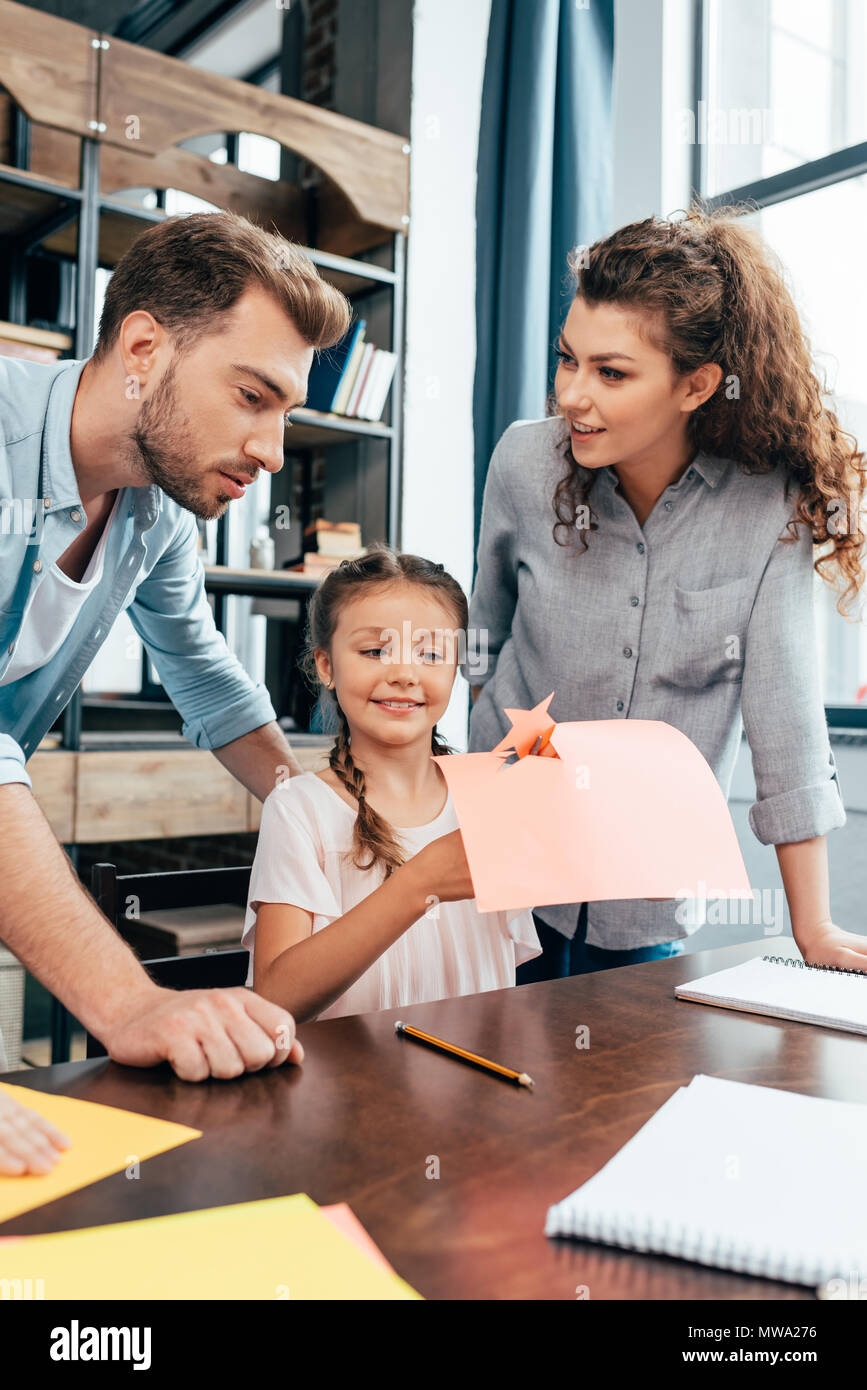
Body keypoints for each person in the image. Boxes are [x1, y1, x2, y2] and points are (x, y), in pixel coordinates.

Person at [0, 210, 353, 1172]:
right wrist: (133, 1003)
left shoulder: (152, 515)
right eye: (252, 395)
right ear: (146, 347)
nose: (275, 450)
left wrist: (325, 817)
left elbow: (202, 670)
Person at [462, 206, 867, 981]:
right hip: (504, 859)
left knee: (620, 1089)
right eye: (567, 359)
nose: (572, 395)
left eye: (611, 373)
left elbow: (782, 709)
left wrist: (810, 925)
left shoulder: (764, 506)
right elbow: (484, 634)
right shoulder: (522, 461)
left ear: (697, 384)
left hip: (644, 883)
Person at [242, 547, 540, 1021]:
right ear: (326, 666)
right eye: (375, 651)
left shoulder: (490, 797)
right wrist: (419, 883)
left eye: (431, 654)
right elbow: (275, 1000)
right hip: (350, 1088)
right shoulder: (298, 809)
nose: (404, 673)